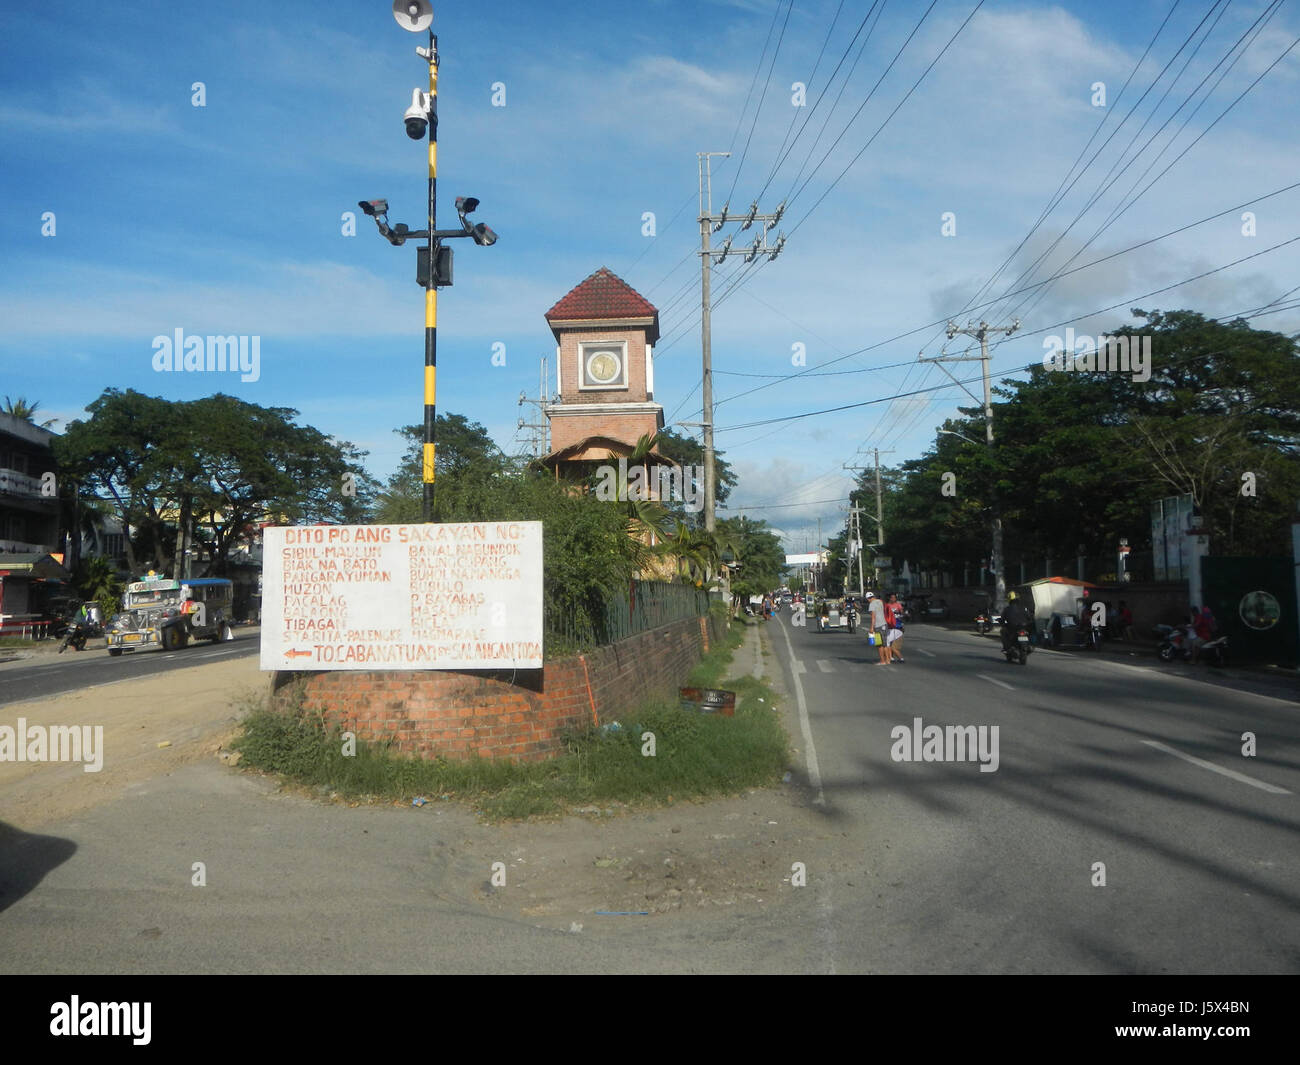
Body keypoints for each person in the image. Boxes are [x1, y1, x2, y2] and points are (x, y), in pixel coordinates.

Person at [1001, 590, 1033, 654]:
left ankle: (1006, 647)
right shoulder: (1024, 607)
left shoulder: (1007, 609)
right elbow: (1030, 617)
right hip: (1024, 627)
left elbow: (1002, 619)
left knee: (1003, 631)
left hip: (1013, 627)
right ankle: (1030, 645)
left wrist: (1002, 623)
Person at [866, 591, 890, 664]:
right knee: (885, 644)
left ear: (868, 599)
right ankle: (888, 660)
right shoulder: (880, 601)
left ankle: (882, 661)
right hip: (884, 624)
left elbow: (873, 617)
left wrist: (871, 628)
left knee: (879, 644)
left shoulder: (872, 604)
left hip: (878, 625)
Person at [886, 592, 905, 662]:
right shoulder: (887, 606)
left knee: (893, 645)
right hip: (890, 627)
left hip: (898, 626)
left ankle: (900, 658)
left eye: (894, 598)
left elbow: (902, 612)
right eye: (892, 598)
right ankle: (891, 657)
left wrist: (901, 614)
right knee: (889, 643)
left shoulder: (898, 605)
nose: (893, 599)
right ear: (889, 598)